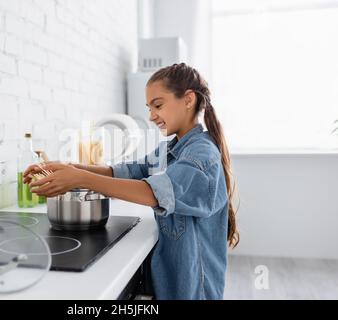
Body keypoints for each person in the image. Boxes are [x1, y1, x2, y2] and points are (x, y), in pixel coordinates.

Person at [23, 63, 239, 300]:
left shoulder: (201, 155)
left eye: (158, 105)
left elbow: (153, 193)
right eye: (149, 108)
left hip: (194, 291)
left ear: (188, 100)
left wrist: (81, 178)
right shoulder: (171, 148)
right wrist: (71, 167)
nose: (151, 115)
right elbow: (131, 170)